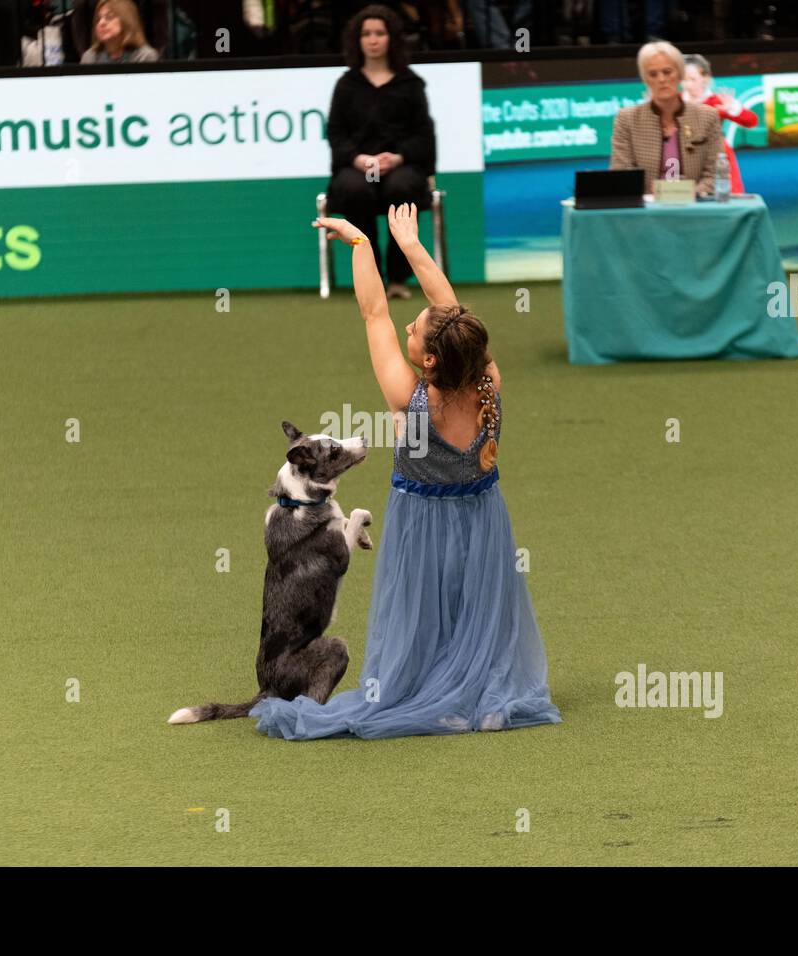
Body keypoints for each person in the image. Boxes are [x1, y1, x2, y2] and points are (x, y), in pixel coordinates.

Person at [248, 202, 562, 740]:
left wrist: (362, 246)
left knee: (423, 616)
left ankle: (430, 692)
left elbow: (374, 313)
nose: (406, 326)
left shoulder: (409, 398)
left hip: (422, 522)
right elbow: (456, 317)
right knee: (475, 609)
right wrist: (413, 247)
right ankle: (481, 692)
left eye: (413, 330)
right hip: (485, 515)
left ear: (430, 361)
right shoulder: (489, 381)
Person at [324, 4, 437, 300]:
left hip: (400, 165)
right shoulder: (347, 85)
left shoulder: (410, 84)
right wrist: (359, 159)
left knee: (403, 188)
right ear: (357, 40)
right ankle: (371, 277)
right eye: (366, 34)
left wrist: (398, 157)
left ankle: (399, 279)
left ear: (391, 39)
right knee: (354, 190)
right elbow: (335, 133)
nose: (373, 40)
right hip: (359, 166)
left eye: (379, 33)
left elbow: (423, 134)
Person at [609, 40, 720, 196]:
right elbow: (621, 175)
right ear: (646, 80)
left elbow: (715, 175)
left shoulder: (708, 116)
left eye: (667, 72)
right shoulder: (627, 119)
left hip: (695, 209)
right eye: (653, 74)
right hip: (646, 213)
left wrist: (683, 195)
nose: (661, 79)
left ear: (680, 74)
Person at [683, 53, 758, 194]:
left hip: (717, 156)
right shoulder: (676, 101)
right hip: (685, 157)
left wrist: (732, 108)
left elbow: (752, 121)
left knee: (726, 200)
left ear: (705, 79)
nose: (688, 85)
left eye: (693, 79)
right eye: (684, 80)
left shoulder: (718, 101)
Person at [79, 0, 159, 64]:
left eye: (109, 17)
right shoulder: (90, 57)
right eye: (98, 19)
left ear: (127, 22)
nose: (101, 23)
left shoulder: (145, 56)